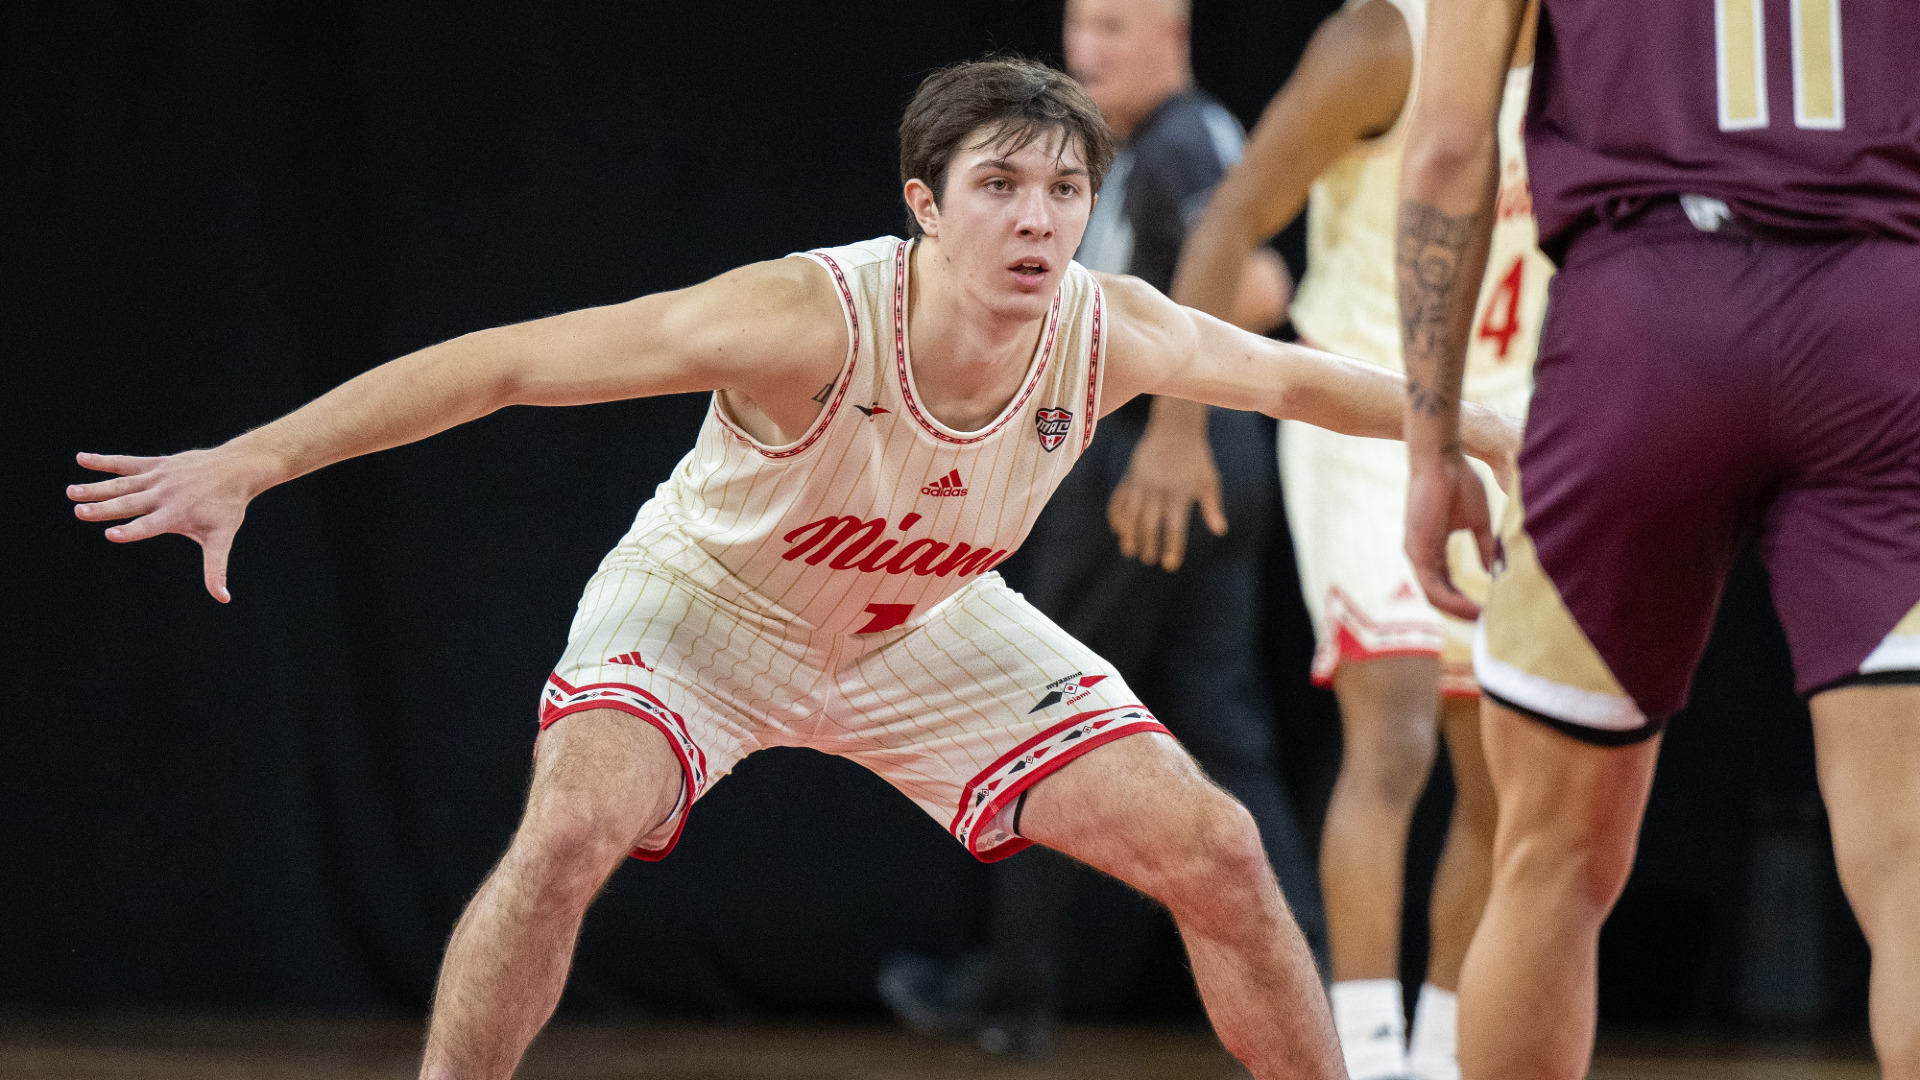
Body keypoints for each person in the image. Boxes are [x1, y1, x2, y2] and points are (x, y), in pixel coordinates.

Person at [68, 58, 1519, 1080]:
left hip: (926, 627)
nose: (1036, 218)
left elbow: (1297, 378)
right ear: (925, 205)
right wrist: (254, 458)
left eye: (1065, 189)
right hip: (709, 606)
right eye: (1000, 185)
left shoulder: (1110, 326)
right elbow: (506, 364)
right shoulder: (803, 319)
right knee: (571, 835)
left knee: (1217, 850)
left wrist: (1490, 429)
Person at [1395, 0, 1920, 1076]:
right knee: (1914, 856)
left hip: (1645, 316)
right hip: (1883, 309)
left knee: (1547, 859)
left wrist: (1430, 444)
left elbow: (1449, 144)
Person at [874, 0, 1323, 1059]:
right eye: (1080, 28)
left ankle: (1012, 984)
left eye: (1115, 27)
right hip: (1182, 458)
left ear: (1175, 30)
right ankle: (1307, 981)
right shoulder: (1122, 150)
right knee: (1220, 730)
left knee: (1042, 708)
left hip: (1156, 463)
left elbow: (1261, 281)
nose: (1086, 51)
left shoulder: (1189, 139)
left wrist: (1170, 417)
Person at [1132, 0, 1550, 1075]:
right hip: (1371, 420)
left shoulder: (1611, 53)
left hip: (1519, 429)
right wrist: (1179, 425)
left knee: (1504, 774)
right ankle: (1361, 1053)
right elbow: (1231, 218)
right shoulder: (1383, 37)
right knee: (1397, 739)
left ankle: (1446, 1055)